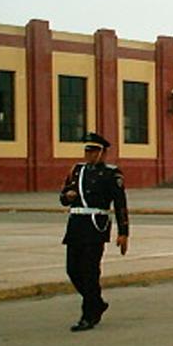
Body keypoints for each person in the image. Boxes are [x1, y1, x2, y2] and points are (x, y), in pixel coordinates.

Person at [60, 132, 129, 332]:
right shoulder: (76, 171)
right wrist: (68, 196)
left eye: (94, 151)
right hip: (75, 225)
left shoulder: (111, 173)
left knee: (90, 271)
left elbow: (120, 204)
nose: (89, 155)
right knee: (72, 269)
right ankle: (96, 302)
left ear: (103, 153)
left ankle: (88, 314)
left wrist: (123, 232)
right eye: (87, 151)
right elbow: (63, 196)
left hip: (95, 225)